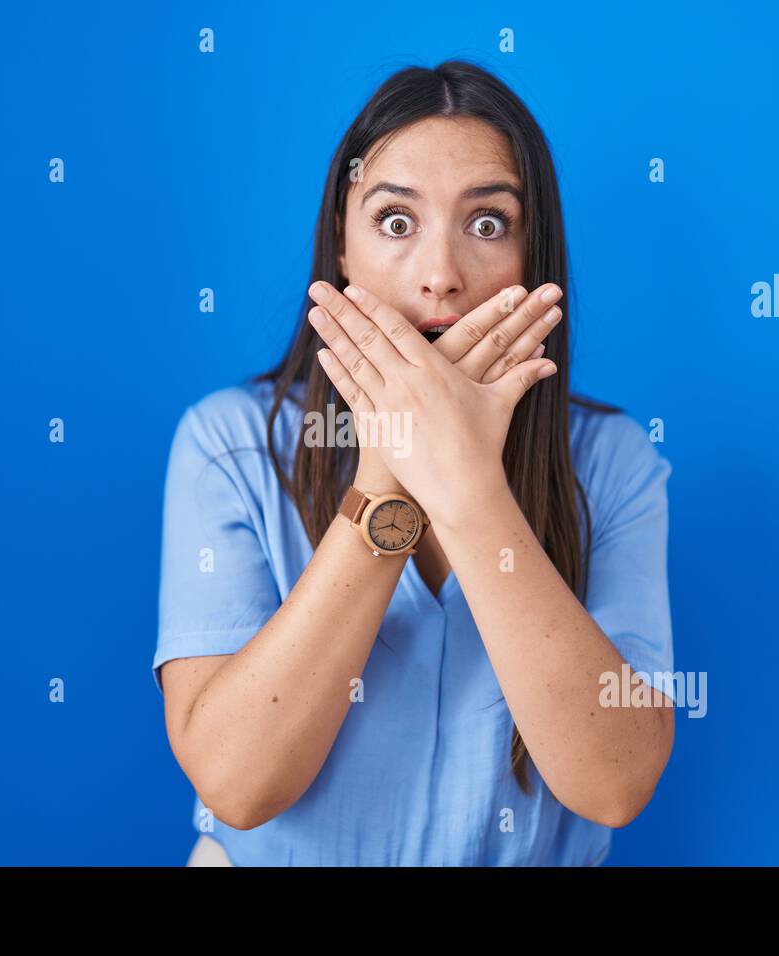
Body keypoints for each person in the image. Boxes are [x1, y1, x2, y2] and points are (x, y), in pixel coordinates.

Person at [153, 60, 676, 866]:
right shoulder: (226, 445)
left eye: (489, 223)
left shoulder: (612, 463)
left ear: (537, 256)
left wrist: (466, 485)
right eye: (396, 222)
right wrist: (389, 476)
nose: (441, 276)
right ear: (342, 244)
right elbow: (238, 782)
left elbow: (615, 783)